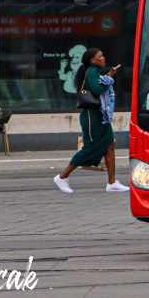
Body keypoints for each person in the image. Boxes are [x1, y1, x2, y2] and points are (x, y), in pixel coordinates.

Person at [54, 48, 127, 193]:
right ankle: (62, 177)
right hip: (91, 116)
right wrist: (110, 77)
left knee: (109, 145)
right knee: (89, 147)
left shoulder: (95, 72)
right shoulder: (92, 71)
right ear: (92, 60)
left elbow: (97, 87)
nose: (104, 58)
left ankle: (112, 182)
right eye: (100, 56)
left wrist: (107, 76)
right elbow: (97, 90)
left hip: (100, 115)